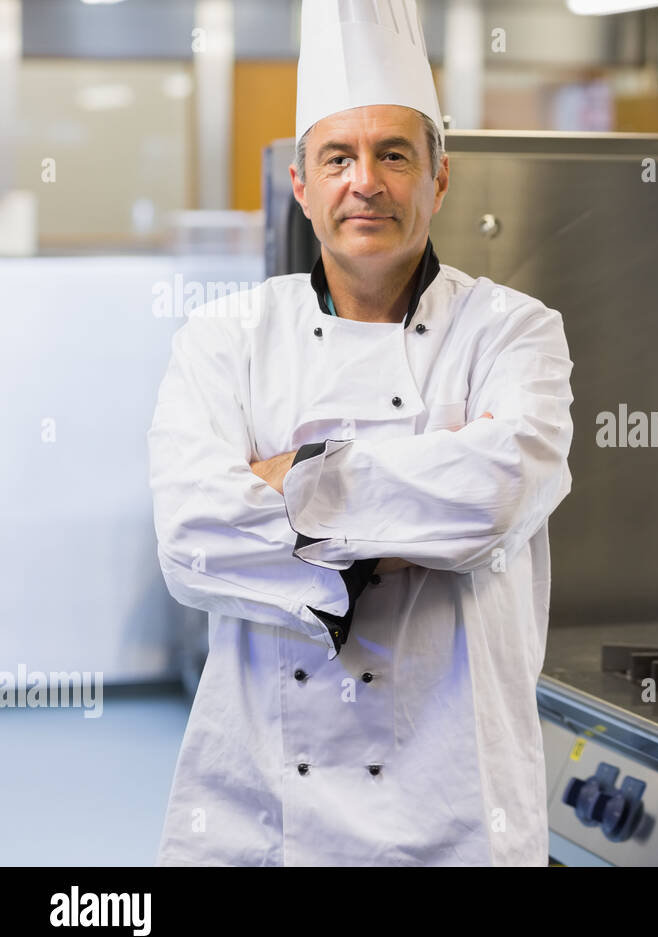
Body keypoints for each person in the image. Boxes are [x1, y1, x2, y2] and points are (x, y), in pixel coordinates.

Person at [146, 0, 574, 865]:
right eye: (337, 157)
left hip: (455, 807)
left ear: (439, 178)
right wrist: (416, 514)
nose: (365, 182)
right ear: (302, 184)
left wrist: (286, 478)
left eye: (394, 155)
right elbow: (191, 537)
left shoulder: (514, 331)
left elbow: (494, 498)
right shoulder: (224, 338)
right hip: (259, 813)